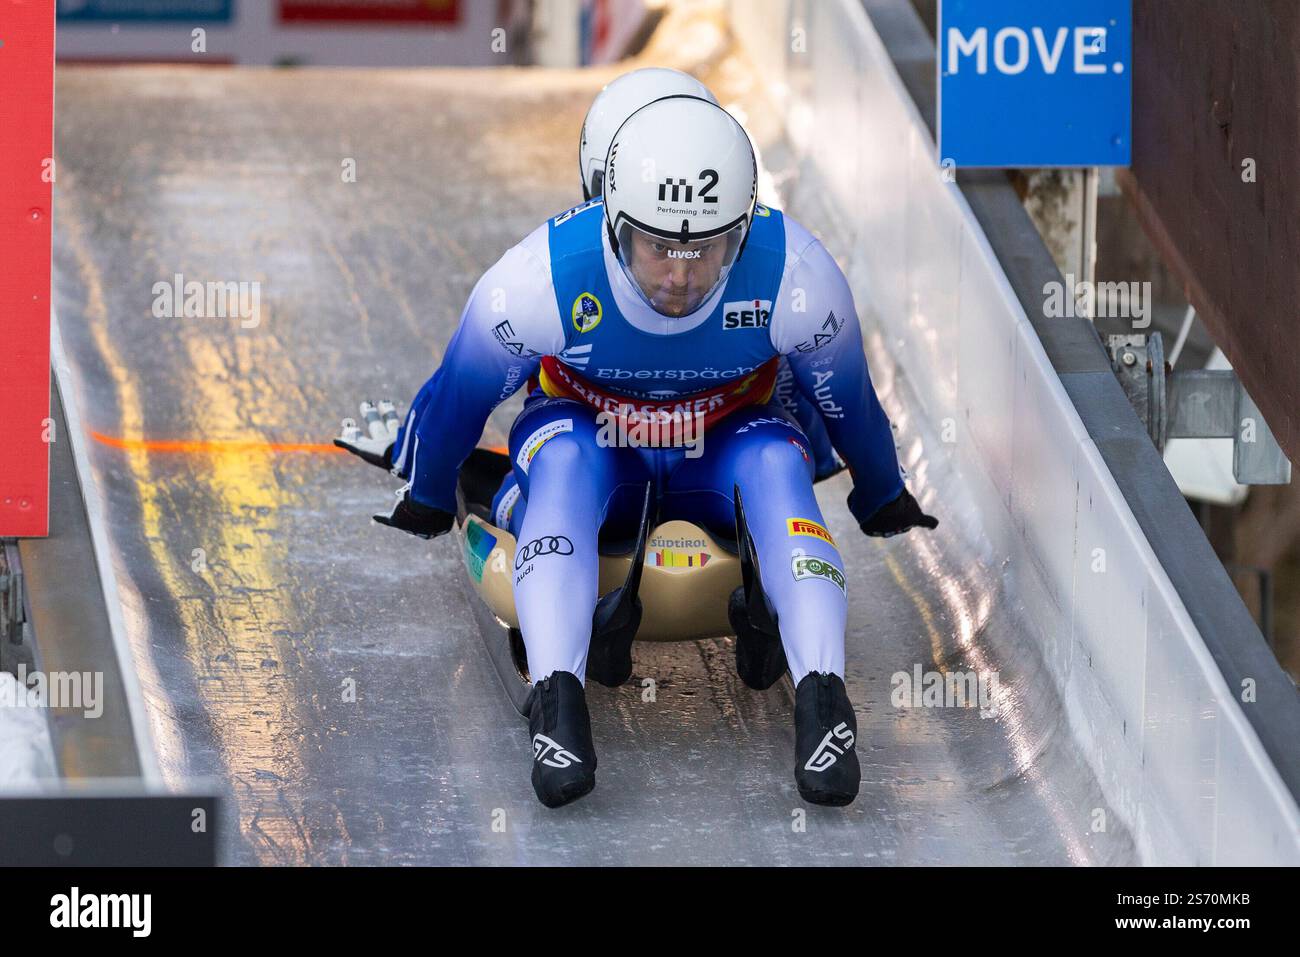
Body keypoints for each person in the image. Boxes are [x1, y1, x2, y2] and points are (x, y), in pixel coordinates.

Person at [340, 95, 936, 809]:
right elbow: (459, 395)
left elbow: (849, 400)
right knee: (564, 462)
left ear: (742, 234)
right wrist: (431, 487)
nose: (680, 278)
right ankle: (560, 706)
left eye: (704, 252)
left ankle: (825, 706)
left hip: (728, 442)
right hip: (593, 439)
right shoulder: (539, 280)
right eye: (658, 248)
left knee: (778, 463)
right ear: (611, 223)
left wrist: (880, 487)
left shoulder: (796, 276)